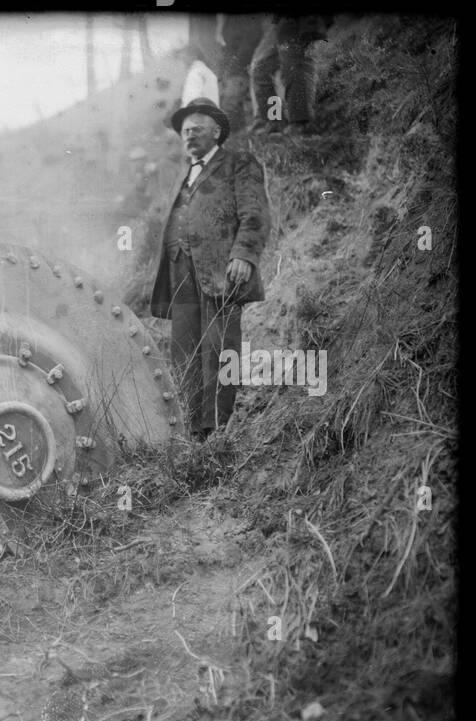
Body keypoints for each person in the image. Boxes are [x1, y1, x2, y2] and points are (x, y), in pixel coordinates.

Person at [150, 99, 271, 441]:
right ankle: (191, 432)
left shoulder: (238, 163)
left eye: (196, 129)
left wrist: (244, 255)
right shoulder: (184, 174)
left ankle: (219, 429)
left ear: (216, 131)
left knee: (219, 348)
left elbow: (255, 213)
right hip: (179, 273)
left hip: (222, 271)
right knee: (184, 352)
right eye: (185, 131)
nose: (189, 136)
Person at [249, 16, 331, 134]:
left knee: (296, 63)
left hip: (301, 20)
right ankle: (275, 120)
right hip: (280, 21)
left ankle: (301, 123)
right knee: (260, 66)